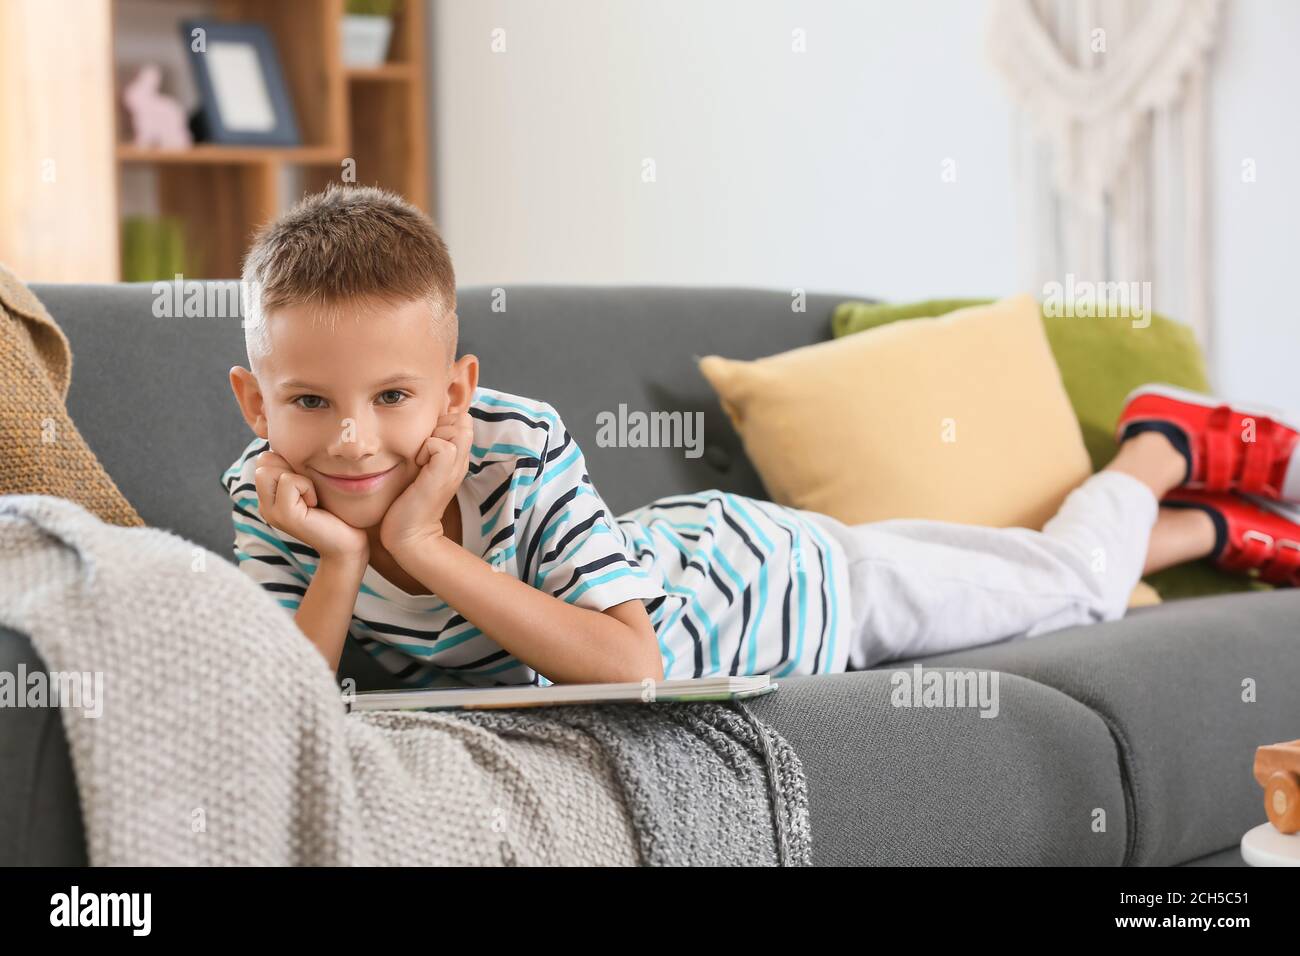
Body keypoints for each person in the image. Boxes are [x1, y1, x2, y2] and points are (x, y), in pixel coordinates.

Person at [223, 185, 1300, 688]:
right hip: (691, 562)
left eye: (395, 396)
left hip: (793, 582)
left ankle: (1156, 444)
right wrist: (346, 555)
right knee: (1048, 573)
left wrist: (425, 549)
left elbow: (630, 663)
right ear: (255, 403)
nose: (354, 440)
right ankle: (1204, 528)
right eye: (310, 401)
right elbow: (290, 693)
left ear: (457, 391)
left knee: (1069, 588)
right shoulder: (275, 499)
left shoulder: (513, 446)